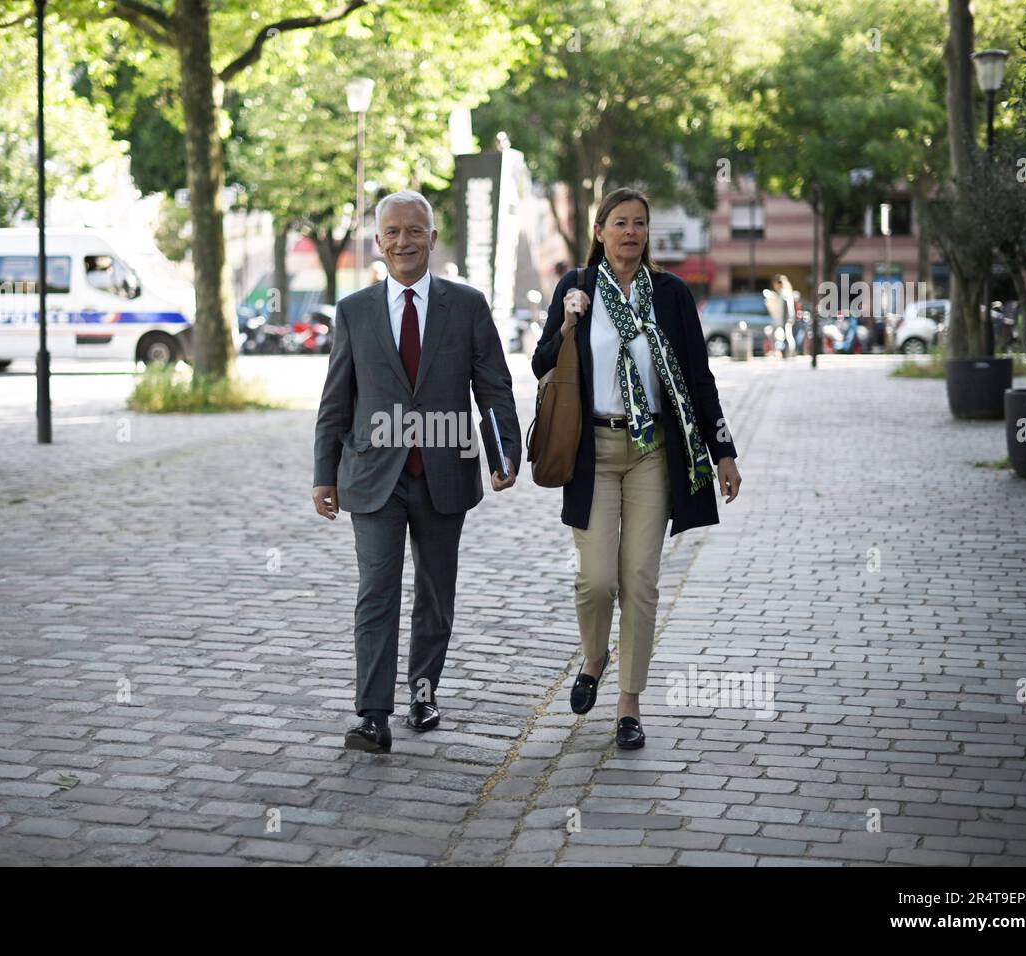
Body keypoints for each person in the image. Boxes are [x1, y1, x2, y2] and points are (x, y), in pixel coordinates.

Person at [532, 187, 742, 750]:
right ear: (599, 231)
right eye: (619, 223)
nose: (630, 232)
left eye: (640, 224)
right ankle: (595, 659)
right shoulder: (575, 288)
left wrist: (723, 450)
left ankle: (629, 704)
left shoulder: (671, 295)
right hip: (592, 451)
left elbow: (699, 376)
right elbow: (540, 365)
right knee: (596, 581)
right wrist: (566, 326)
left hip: (652, 449)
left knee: (641, 581)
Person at [313, 190, 522, 754]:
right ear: (378, 243)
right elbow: (337, 398)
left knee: (435, 593)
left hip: (443, 475)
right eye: (392, 233)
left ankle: (423, 692)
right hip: (373, 478)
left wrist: (505, 452)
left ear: (432, 237)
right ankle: (373, 715)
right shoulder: (354, 310)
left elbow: (494, 388)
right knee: (376, 591)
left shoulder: (468, 305)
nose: (403, 241)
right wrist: (323, 473)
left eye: (414, 230)